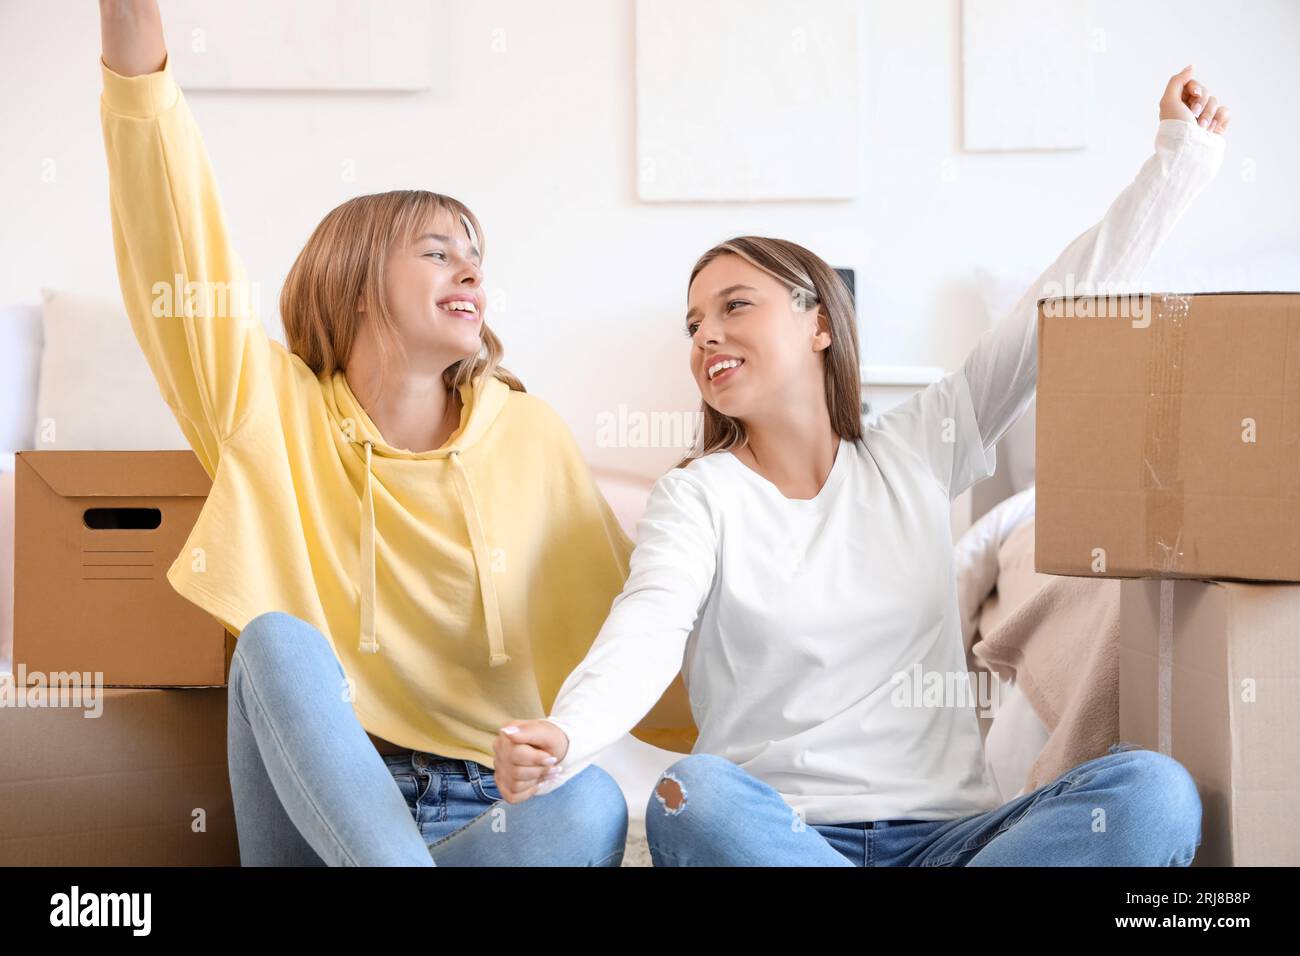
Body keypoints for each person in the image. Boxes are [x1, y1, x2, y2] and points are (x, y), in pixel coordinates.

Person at [493, 66, 1231, 866]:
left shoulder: (919, 444)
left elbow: (1059, 306)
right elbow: (647, 627)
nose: (706, 334)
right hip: (785, 836)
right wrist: (568, 733)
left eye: (736, 305)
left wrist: (1176, 160)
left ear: (819, 324)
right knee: (690, 795)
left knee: (1154, 792)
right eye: (694, 323)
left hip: (951, 837)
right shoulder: (697, 496)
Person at [97, 0, 657, 866]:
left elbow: (638, 627)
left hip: (485, 808)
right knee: (275, 640)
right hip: (325, 796)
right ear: (355, 284)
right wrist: (132, 34)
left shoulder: (532, 435)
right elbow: (175, 246)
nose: (471, 268)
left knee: (589, 803)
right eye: (437, 251)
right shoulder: (264, 405)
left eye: (475, 253)